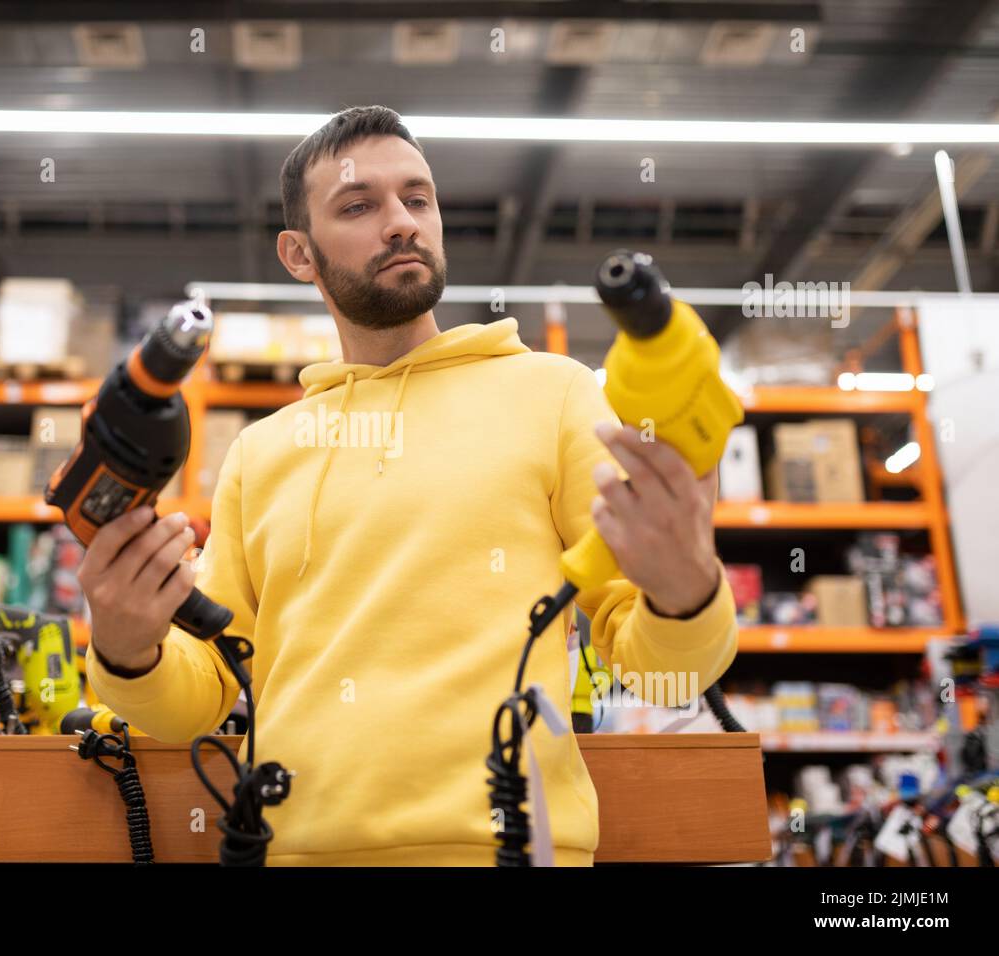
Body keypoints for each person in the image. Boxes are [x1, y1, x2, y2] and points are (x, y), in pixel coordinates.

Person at [80, 105, 737, 866]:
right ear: (299, 254)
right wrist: (128, 650)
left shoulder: (552, 394)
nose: (400, 222)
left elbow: (658, 670)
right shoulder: (261, 454)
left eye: (417, 199)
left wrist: (688, 589)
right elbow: (209, 690)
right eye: (359, 206)